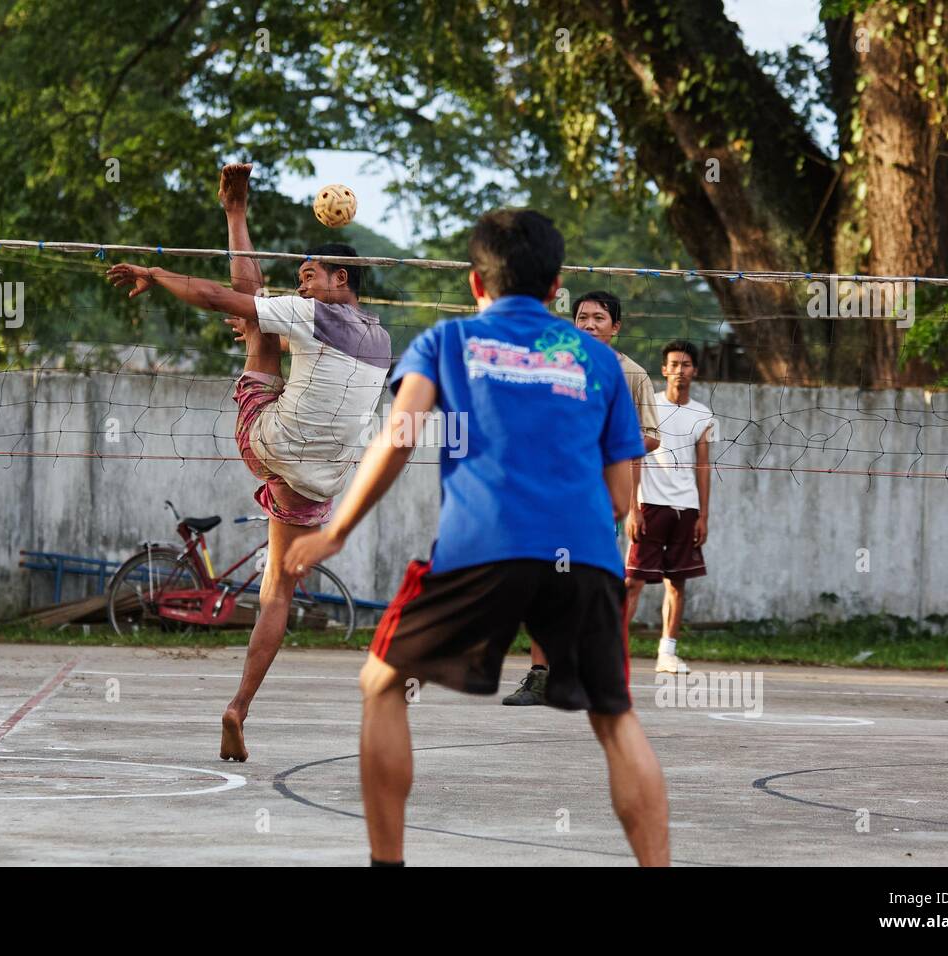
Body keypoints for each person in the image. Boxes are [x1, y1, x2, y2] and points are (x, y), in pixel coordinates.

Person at [283, 208, 670, 866]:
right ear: (557, 290)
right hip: (585, 553)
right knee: (614, 716)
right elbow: (621, 497)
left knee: (383, 683)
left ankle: (388, 862)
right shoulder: (601, 364)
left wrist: (338, 530)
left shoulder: (447, 341)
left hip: (481, 547)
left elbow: (399, 436)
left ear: (474, 283)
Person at [108, 163, 391, 761]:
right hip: (320, 481)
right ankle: (238, 706)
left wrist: (158, 272)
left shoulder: (315, 314)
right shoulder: (381, 338)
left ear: (341, 277)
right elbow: (261, 312)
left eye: (311, 274)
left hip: (270, 444)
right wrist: (256, 318)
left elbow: (219, 296)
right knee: (277, 595)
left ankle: (234, 212)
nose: (304, 282)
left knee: (257, 320)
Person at [503, 289, 660, 705]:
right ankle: (539, 675)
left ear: (616, 327)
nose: (589, 324)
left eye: (599, 318)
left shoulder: (631, 374)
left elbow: (652, 436)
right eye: (582, 317)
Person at [625, 340, 714, 674]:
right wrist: (633, 508)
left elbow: (703, 467)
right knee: (632, 581)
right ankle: (614, 651)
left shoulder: (704, 414)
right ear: (664, 370)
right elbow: (635, 456)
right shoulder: (652, 406)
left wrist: (704, 514)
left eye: (686, 364)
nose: (680, 370)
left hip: (686, 508)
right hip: (650, 505)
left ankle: (667, 653)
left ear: (695, 370)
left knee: (677, 583)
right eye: (674, 364)